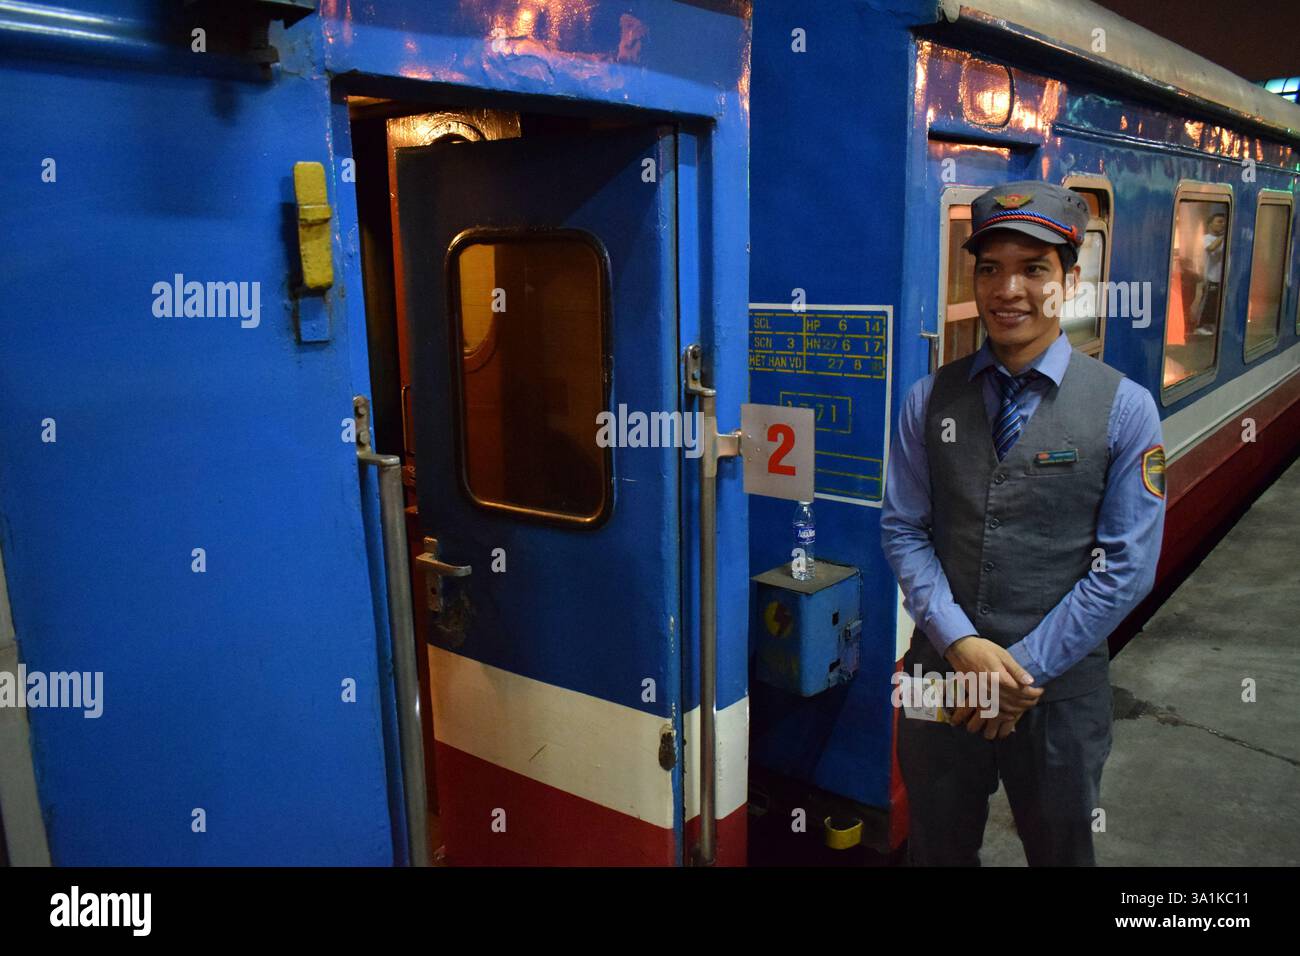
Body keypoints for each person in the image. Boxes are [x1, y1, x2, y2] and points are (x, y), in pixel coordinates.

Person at [880, 181, 1166, 866]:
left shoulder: (1125, 410)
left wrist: (1015, 674)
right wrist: (960, 645)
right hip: (937, 678)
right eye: (989, 268)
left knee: (1062, 850)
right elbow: (903, 528)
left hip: (1061, 694)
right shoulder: (928, 399)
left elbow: (1127, 566)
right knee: (935, 847)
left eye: (1033, 268)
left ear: (1069, 279)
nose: (1008, 289)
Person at [1192, 211, 1227, 336]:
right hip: (1210, 276)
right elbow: (1211, 248)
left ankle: (1211, 324)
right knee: (1207, 302)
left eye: (1224, 222)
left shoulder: (1224, 240)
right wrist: (1224, 236)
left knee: (1214, 303)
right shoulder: (1205, 238)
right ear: (1210, 224)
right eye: (1219, 222)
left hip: (1221, 277)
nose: (1222, 225)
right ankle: (1199, 325)